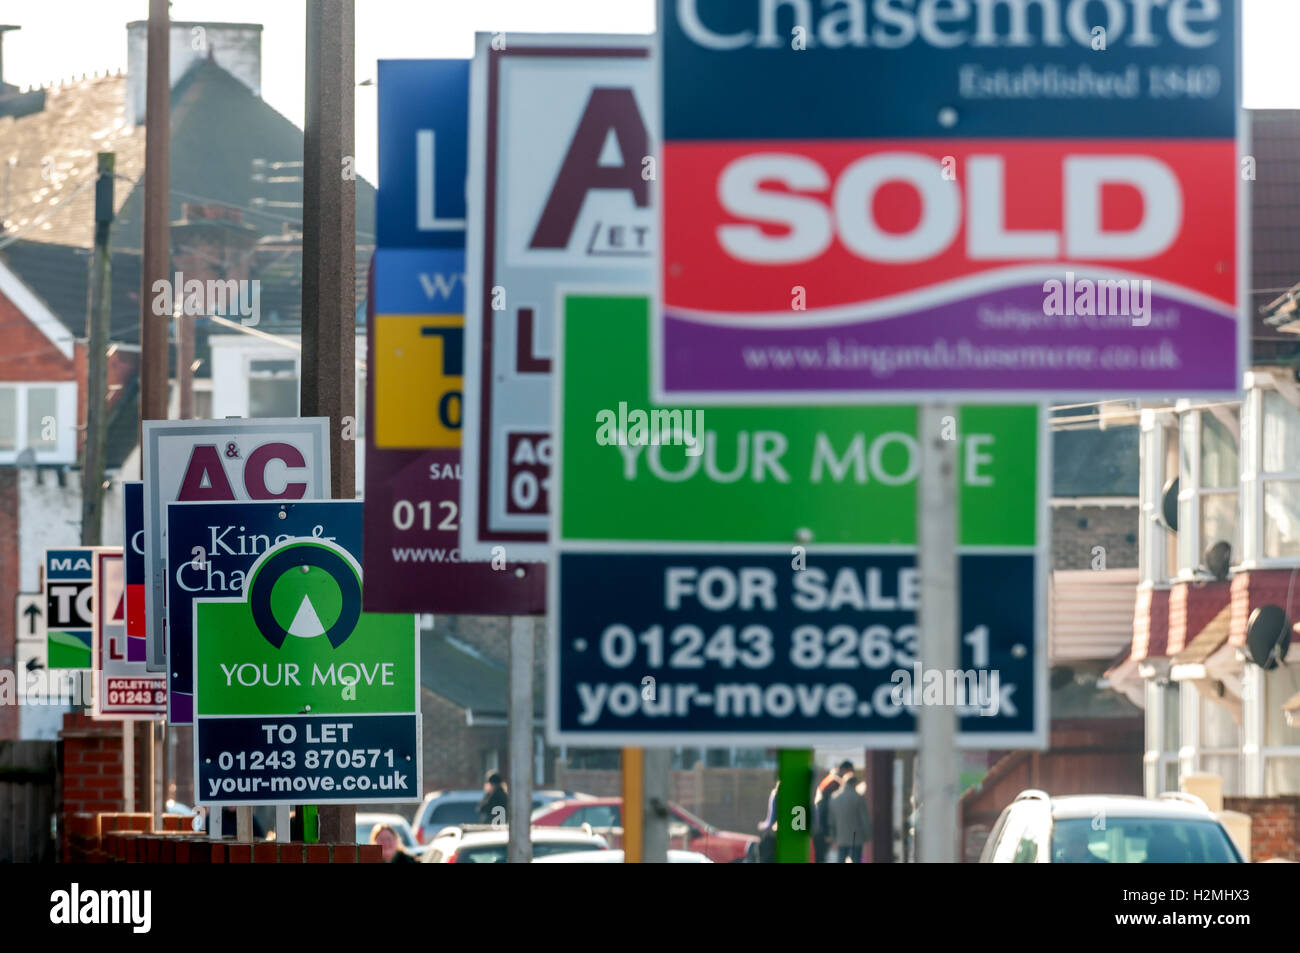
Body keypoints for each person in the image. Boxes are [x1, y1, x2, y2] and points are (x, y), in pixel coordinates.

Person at [827, 760, 871, 863]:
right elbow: (864, 818)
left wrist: (833, 837)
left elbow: (831, 820)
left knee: (841, 859)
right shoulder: (858, 797)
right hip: (856, 837)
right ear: (854, 783)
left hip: (841, 837)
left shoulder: (834, 797)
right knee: (856, 860)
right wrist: (867, 835)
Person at [813, 773, 841, 863]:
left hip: (819, 835)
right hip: (824, 835)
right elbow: (823, 819)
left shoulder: (821, 800)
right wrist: (827, 834)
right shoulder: (828, 802)